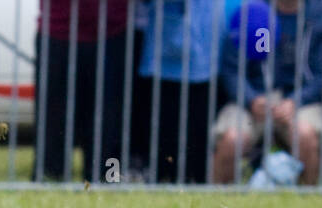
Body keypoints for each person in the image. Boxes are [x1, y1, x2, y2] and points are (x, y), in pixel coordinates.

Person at [212, 0, 322, 185]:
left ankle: (311, 203)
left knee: (305, 135)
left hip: (303, 99)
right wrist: (251, 100)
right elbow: (232, 69)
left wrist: (295, 101)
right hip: (254, 97)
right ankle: (220, 204)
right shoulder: (252, 11)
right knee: (232, 139)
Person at [34, 0, 128, 182]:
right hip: (58, 32)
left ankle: (105, 179)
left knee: (108, 118)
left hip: (111, 33)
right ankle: (49, 178)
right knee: (53, 118)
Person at [138, 1, 219, 183]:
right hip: (162, 57)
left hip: (201, 57)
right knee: (161, 133)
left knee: (197, 136)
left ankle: (197, 184)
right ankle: (158, 182)